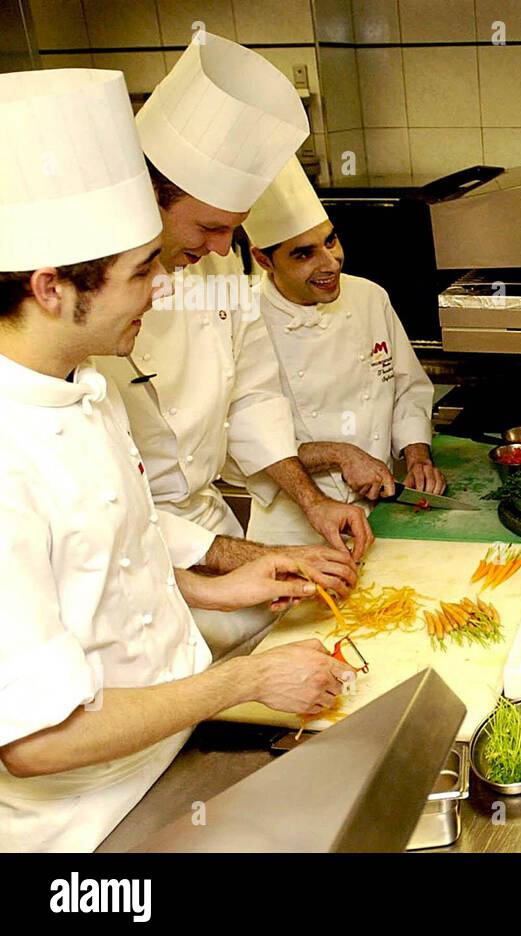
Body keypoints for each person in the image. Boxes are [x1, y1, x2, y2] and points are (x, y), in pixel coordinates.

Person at [0, 68, 355, 852]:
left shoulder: (83, 389)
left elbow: (108, 565)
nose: (163, 289)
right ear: (51, 287)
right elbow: (32, 740)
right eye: (140, 272)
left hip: (169, 752)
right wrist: (247, 680)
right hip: (87, 822)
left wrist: (218, 585)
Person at [92, 32, 371, 655]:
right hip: (143, 559)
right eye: (211, 227)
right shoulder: (90, 304)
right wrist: (261, 554)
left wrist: (312, 501)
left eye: (234, 231)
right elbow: (110, 508)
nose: (222, 249)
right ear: (150, 201)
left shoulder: (216, 267)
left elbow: (251, 396)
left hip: (207, 523)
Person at [238, 158, 442, 546]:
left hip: (380, 506)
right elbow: (240, 442)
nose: (330, 262)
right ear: (264, 260)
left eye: (330, 241)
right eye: (303, 254)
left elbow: (408, 389)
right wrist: (339, 454)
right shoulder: (242, 320)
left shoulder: (369, 297)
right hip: (292, 523)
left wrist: (417, 456)